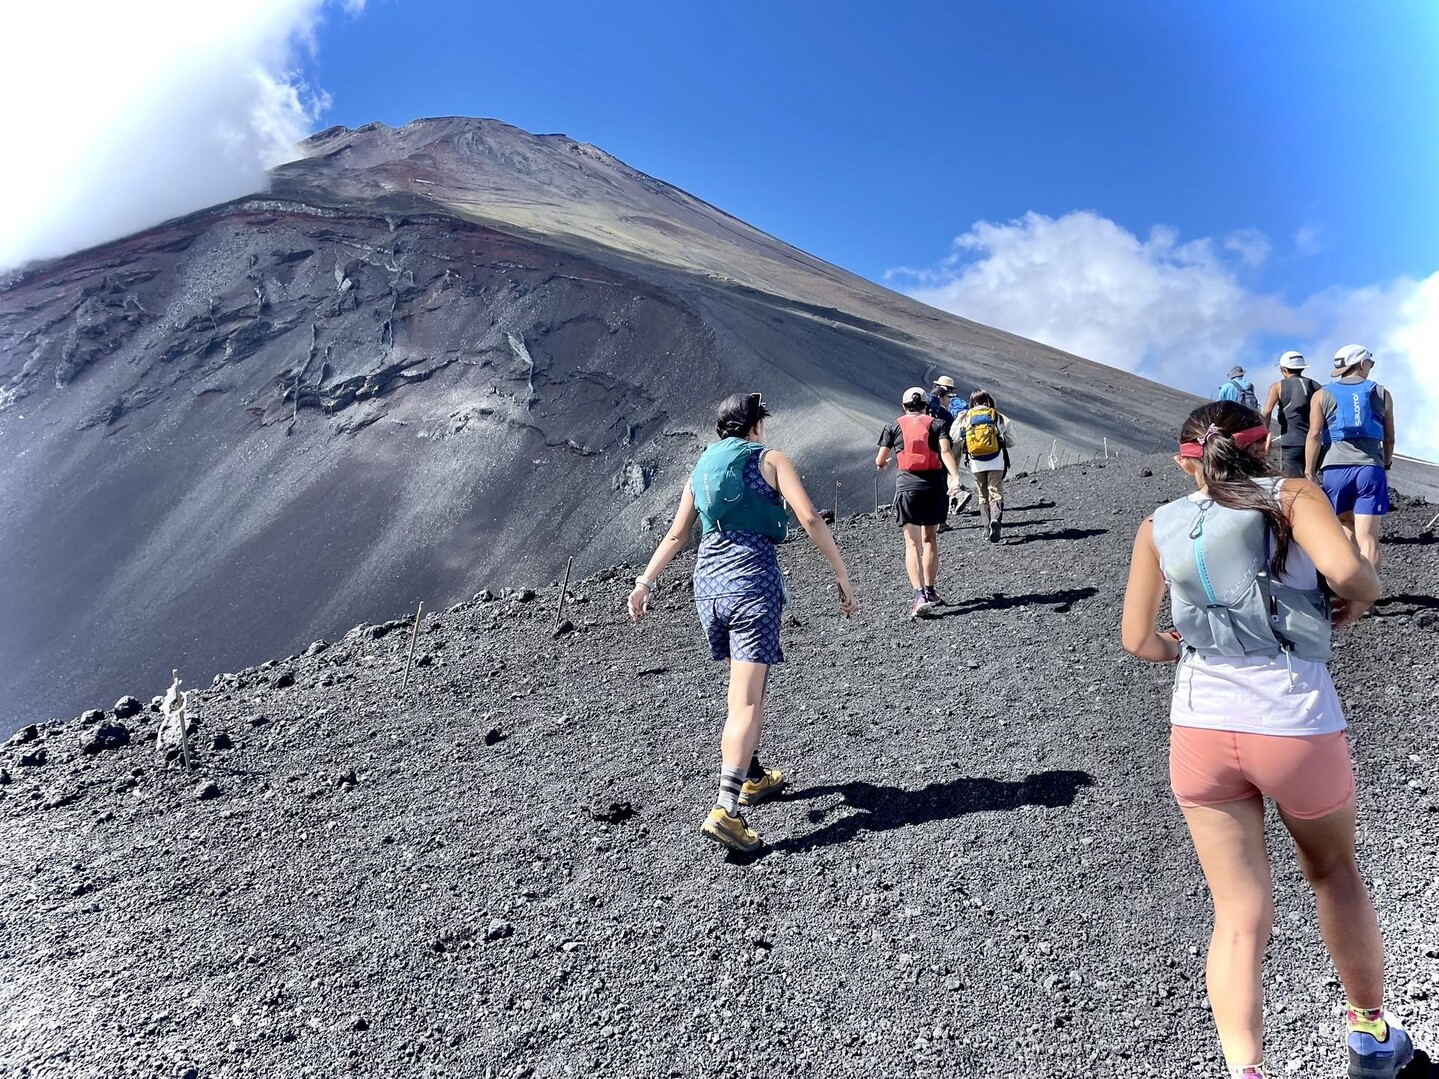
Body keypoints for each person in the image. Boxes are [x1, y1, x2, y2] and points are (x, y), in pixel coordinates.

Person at [1122, 400, 1416, 1079]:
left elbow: (1137, 639)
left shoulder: (1157, 524)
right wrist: (1364, 593)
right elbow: (1347, 574)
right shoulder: (1291, 496)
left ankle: (1246, 1070)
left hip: (1199, 727)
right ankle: (1370, 1036)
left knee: (1236, 909)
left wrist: (1192, 647)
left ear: (1181, 461)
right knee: (1332, 872)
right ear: (1262, 450)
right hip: (1291, 721)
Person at [628, 392, 857, 855]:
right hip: (753, 583)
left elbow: (678, 533)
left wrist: (644, 581)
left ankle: (752, 776)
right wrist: (840, 572)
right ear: (754, 424)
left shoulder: (701, 467)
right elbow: (809, 516)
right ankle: (726, 811)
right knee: (746, 703)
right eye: (762, 421)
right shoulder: (770, 458)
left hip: (708, 585)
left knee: (744, 687)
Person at [875, 387, 964, 618]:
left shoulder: (893, 427)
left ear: (904, 406)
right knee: (930, 539)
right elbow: (945, 452)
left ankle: (919, 596)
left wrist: (883, 463)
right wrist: (955, 477)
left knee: (912, 544)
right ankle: (931, 591)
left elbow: (880, 459)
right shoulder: (937, 424)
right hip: (934, 487)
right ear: (926, 405)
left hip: (908, 489)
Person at [1305, 344, 1395, 571]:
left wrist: (1309, 470)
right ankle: (1366, 602)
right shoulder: (1382, 392)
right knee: (1368, 537)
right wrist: (1385, 463)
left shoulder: (1322, 394)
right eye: (1370, 364)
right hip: (1369, 469)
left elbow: (1314, 434)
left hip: (1334, 469)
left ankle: (1346, 590)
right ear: (1363, 364)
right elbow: (1390, 438)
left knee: (1345, 526)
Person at [950, 389, 1014, 542]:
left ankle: (986, 529)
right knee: (995, 491)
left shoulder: (965, 417)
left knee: (982, 494)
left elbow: (954, 436)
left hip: (976, 462)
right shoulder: (998, 416)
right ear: (988, 400)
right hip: (996, 460)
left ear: (972, 402)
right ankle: (996, 520)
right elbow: (1012, 440)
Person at [1260, 351, 1320, 478]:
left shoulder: (1278, 386)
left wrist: (1264, 435)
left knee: (1294, 485)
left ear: (1283, 370)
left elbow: (1267, 411)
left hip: (1291, 442)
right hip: (1314, 444)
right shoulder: (1315, 385)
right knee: (1313, 481)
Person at [929, 375, 975, 513]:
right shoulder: (959, 404)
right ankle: (953, 500)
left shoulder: (935, 404)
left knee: (946, 473)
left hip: (945, 444)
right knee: (950, 471)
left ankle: (957, 495)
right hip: (957, 442)